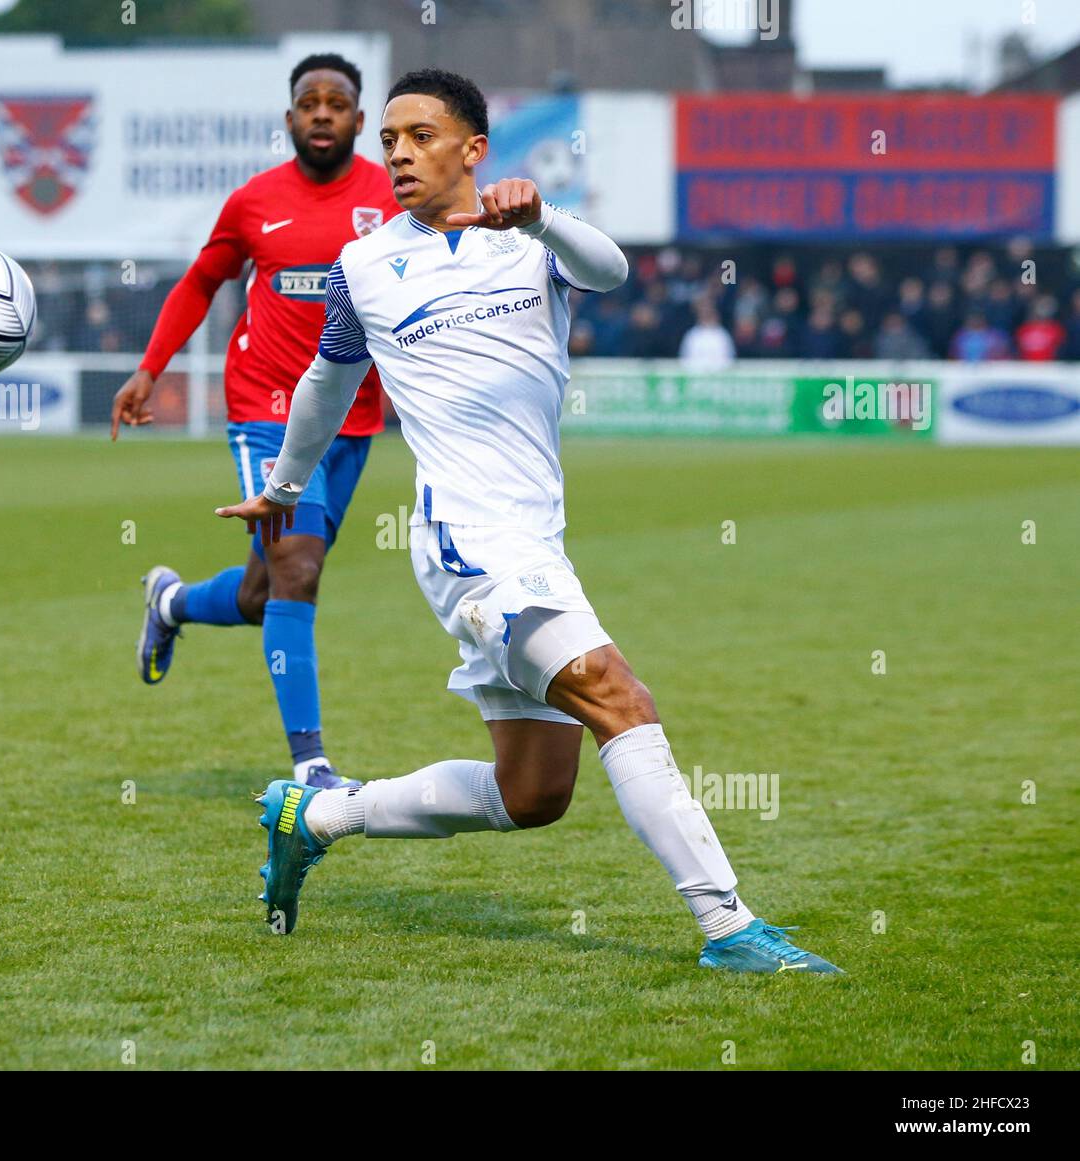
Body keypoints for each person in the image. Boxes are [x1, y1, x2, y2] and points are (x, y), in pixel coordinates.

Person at [219, 68, 842, 975]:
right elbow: (328, 380)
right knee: (620, 699)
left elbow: (614, 271)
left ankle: (317, 813)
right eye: (389, 138)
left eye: (420, 136)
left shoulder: (532, 240)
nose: (396, 152)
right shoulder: (366, 265)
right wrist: (283, 487)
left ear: (474, 148)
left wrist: (541, 215)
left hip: (531, 535)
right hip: (469, 541)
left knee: (532, 792)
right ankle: (730, 926)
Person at [111, 54, 401, 789]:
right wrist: (151, 367)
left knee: (260, 592)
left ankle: (169, 601)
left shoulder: (393, 201)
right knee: (296, 566)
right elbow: (202, 280)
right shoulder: (253, 203)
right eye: (310, 102)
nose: (324, 113)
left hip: (353, 415)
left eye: (339, 102)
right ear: (291, 119)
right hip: (267, 406)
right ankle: (313, 766)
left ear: (360, 122)